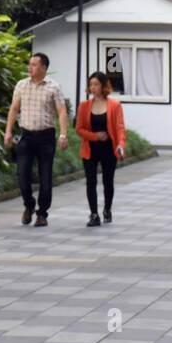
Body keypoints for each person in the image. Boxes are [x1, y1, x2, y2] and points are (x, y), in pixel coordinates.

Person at [4, 52, 70, 227]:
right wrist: (8, 132)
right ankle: (29, 205)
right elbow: (14, 109)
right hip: (26, 136)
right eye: (29, 64)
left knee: (45, 177)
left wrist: (63, 134)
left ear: (44, 68)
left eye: (34, 65)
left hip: (46, 137)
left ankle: (42, 213)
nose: (30, 67)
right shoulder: (21, 85)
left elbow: (62, 111)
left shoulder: (54, 87)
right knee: (22, 175)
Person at [74, 72, 126, 227]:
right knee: (91, 181)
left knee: (107, 181)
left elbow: (120, 127)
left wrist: (121, 144)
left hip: (109, 149)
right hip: (90, 148)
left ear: (103, 86)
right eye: (91, 85)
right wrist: (95, 136)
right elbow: (79, 129)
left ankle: (107, 209)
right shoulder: (84, 106)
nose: (93, 87)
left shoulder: (115, 105)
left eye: (96, 84)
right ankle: (94, 214)